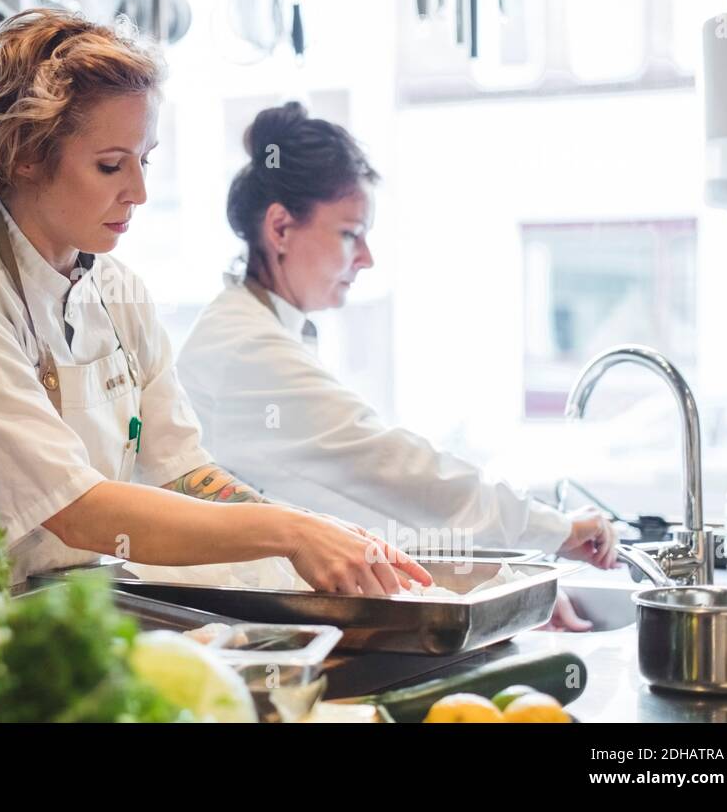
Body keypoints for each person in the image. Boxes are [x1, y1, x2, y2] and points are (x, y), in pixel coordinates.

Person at [0, 9, 432, 600]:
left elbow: (182, 470)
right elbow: (77, 509)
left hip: (76, 618)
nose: (138, 192)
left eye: (145, 160)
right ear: (26, 155)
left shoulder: (119, 291)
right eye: (111, 165)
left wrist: (311, 531)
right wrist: (289, 532)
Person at [176, 102, 617, 625]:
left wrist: (507, 577)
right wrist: (555, 529)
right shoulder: (244, 351)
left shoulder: (263, 332)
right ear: (280, 228)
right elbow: (395, 468)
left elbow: (352, 497)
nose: (366, 257)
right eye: (349, 233)